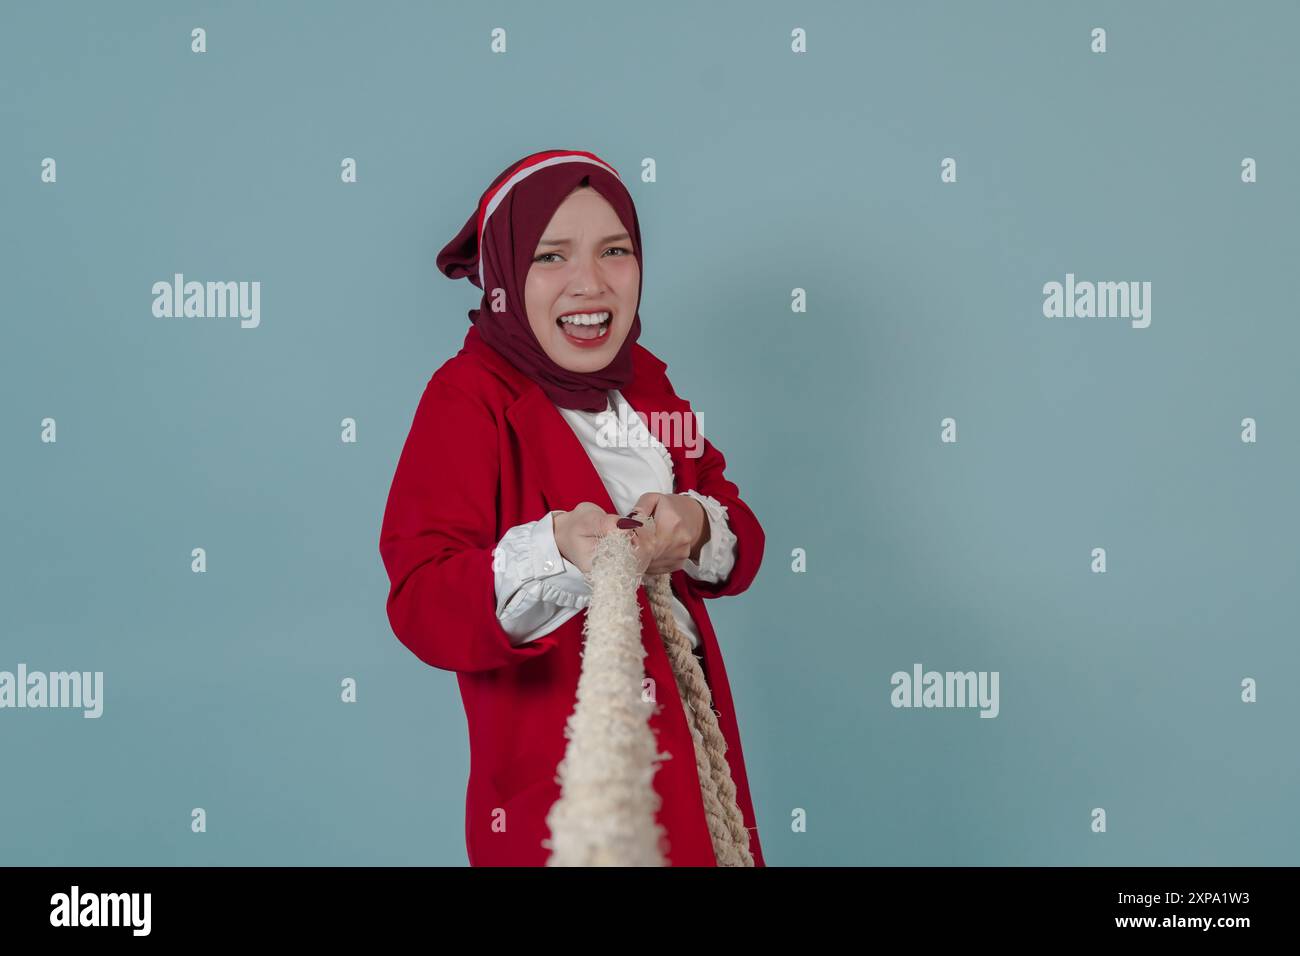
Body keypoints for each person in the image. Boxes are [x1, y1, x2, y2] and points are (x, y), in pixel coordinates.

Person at [378, 148, 766, 866]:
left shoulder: (646, 385)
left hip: (694, 761)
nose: (590, 283)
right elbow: (422, 595)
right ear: (505, 273)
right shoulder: (467, 398)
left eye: (614, 251)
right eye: (551, 257)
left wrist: (697, 522)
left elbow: (734, 521)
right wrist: (558, 546)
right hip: (561, 790)